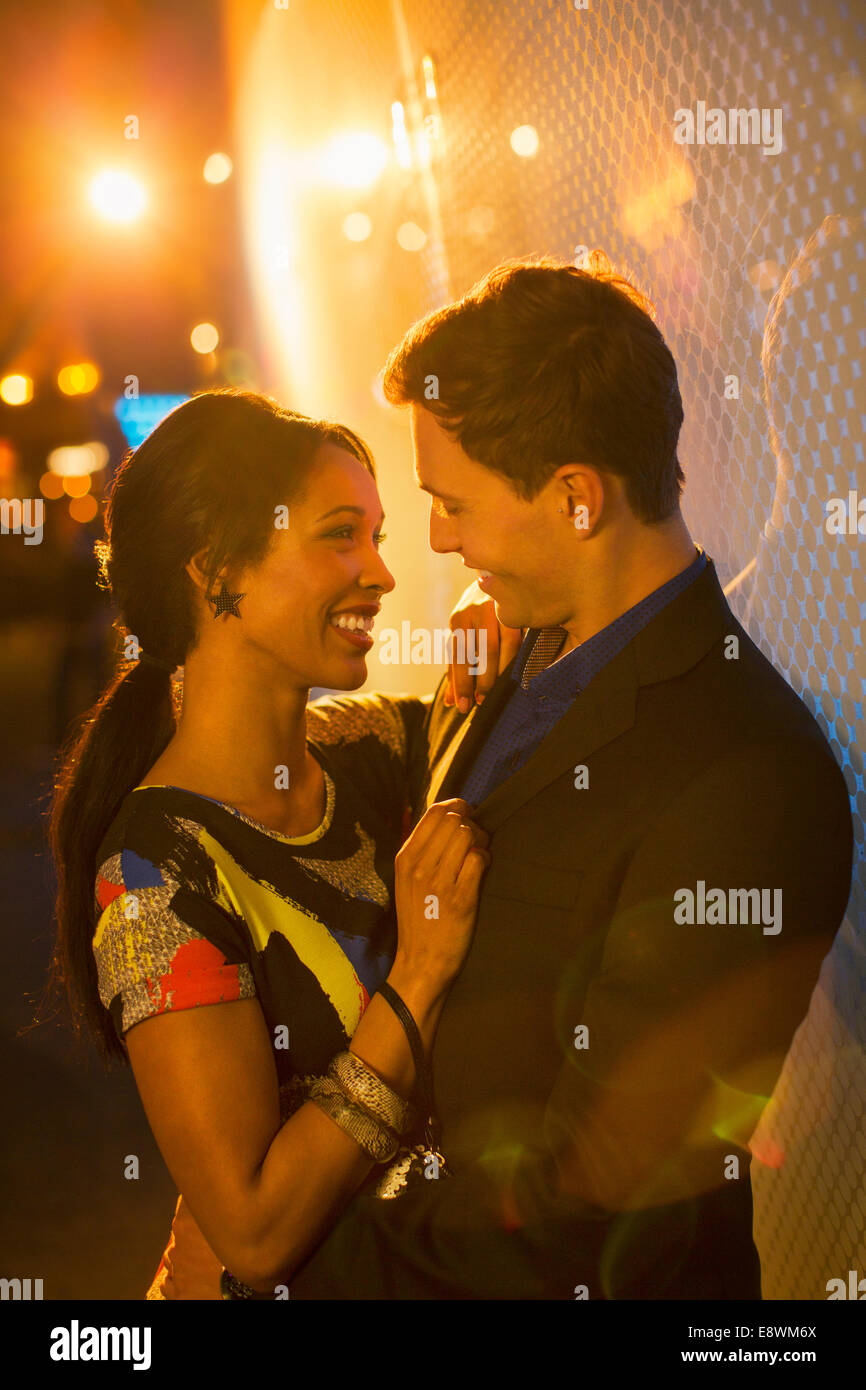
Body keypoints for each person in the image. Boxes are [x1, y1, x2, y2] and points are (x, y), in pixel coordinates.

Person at [168, 252, 854, 1299]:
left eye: (454, 504)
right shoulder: (518, 647)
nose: (435, 538)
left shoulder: (747, 777)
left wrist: (286, 1261)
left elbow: (594, 1206)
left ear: (576, 499)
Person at [45, 389, 493, 1299]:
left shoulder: (370, 752)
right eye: (340, 535)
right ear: (217, 573)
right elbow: (253, 1230)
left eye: (376, 535)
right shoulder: (151, 875)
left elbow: (476, 715)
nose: (380, 573)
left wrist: (502, 616)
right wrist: (416, 983)